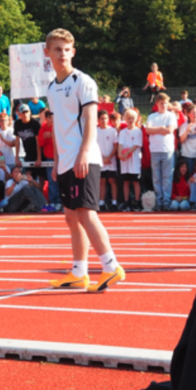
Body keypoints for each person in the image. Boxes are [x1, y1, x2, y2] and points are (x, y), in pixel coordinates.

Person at [42, 28, 126, 292]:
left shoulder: (83, 81)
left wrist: (82, 154)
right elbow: (58, 127)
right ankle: (79, 272)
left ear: (73, 52)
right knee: (70, 217)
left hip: (84, 157)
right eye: (57, 49)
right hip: (66, 160)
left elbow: (90, 121)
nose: (62, 54)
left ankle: (111, 266)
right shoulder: (51, 88)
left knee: (86, 214)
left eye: (67, 49)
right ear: (47, 53)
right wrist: (57, 160)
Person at [145, 93, 179, 211]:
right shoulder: (152, 116)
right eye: (161, 103)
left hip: (167, 150)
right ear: (157, 104)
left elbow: (169, 130)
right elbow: (148, 130)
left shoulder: (171, 115)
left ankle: (166, 202)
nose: (163, 105)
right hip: (155, 150)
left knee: (167, 177)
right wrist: (161, 128)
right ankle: (158, 201)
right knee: (156, 178)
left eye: (165, 103)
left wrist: (155, 130)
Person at [117, 109, 143, 211]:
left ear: (136, 119)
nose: (131, 120)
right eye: (129, 118)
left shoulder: (138, 131)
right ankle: (126, 202)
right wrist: (120, 154)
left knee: (135, 182)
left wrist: (127, 152)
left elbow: (136, 145)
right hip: (125, 161)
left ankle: (137, 202)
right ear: (125, 119)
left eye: (132, 118)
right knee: (126, 182)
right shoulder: (122, 132)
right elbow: (120, 144)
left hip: (134, 161)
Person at [95, 110, 119, 211]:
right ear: (98, 120)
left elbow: (116, 146)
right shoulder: (95, 131)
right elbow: (94, 146)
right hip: (99, 160)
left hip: (111, 161)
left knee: (112, 180)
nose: (104, 120)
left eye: (105, 118)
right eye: (102, 118)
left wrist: (109, 158)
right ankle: (101, 202)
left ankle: (114, 202)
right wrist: (102, 158)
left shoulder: (112, 131)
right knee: (102, 181)